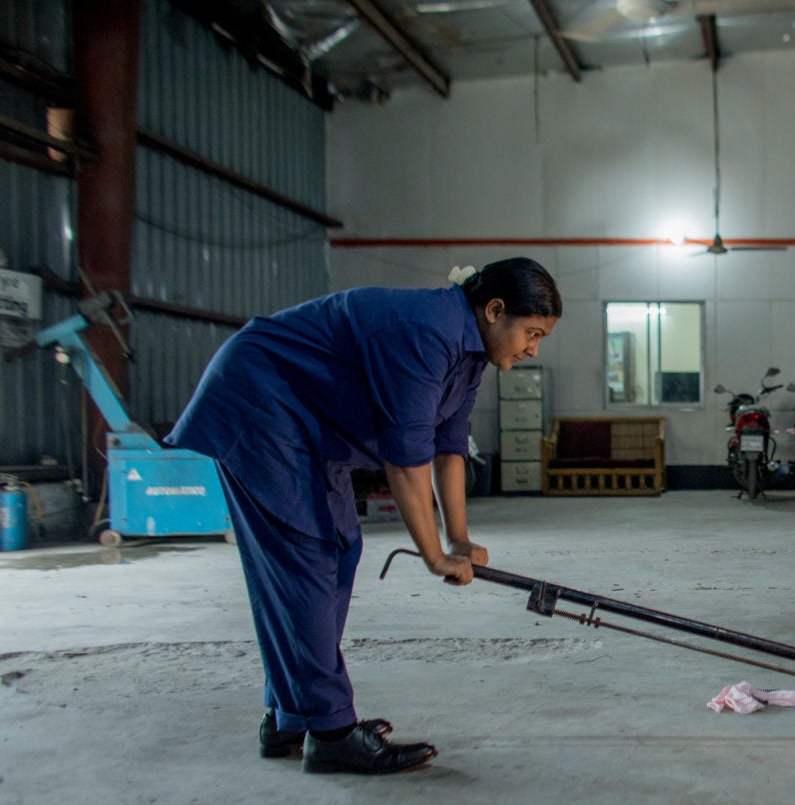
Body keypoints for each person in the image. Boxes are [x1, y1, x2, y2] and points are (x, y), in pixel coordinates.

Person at [167, 258, 562, 774]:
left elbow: (448, 448)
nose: (533, 349)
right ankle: (329, 732)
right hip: (260, 408)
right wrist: (432, 555)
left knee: (338, 552)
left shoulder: (470, 354)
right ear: (494, 310)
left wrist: (459, 537)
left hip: (308, 427)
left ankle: (291, 716)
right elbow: (405, 458)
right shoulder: (429, 332)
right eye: (531, 333)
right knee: (306, 561)